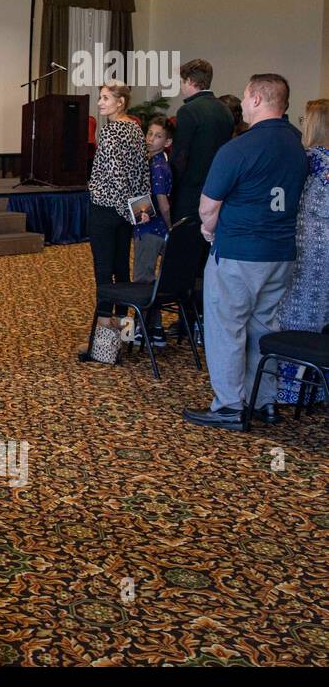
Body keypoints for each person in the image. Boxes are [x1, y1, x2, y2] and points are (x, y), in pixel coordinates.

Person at [184, 75, 308, 430]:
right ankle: (263, 401)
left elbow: (208, 206)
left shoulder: (238, 148)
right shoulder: (296, 147)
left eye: (245, 95)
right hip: (280, 254)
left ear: (255, 99)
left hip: (240, 251)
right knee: (262, 328)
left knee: (226, 330)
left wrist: (209, 232)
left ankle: (228, 407)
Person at [81, 82, 148, 359]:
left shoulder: (110, 131)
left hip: (108, 210)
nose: (100, 103)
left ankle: (103, 347)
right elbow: (143, 171)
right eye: (100, 98)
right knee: (122, 274)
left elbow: (118, 176)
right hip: (129, 212)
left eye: (106, 98)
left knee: (103, 276)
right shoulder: (135, 128)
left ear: (120, 102)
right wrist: (138, 210)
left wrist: (121, 209)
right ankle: (120, 339)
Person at [274, 99, 329, 408]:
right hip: (327, 247)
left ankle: (290, 389)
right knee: (320, 316)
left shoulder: (308, 160)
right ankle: (317, 386)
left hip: (306, 245)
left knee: (294, 315)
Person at [171, 59, 234, 223]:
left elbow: (180, 155)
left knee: (185, 241)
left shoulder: (188, 111)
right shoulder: (224, 109)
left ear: (190, 81)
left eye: (182, 82)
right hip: (217, 187)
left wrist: (171, 183)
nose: (181, 87)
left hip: (190, 190)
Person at [132, 116, 173, 346]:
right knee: (149, 279)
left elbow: (163, 203)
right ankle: (155, 328)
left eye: (158, 136)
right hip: (150, 226)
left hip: (151, 230)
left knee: (143, 279)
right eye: (149, 133)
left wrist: (170, 228)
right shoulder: (155, 162)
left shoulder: (157, 166)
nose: (150, 139)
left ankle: (143, 327)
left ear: (167, 142)